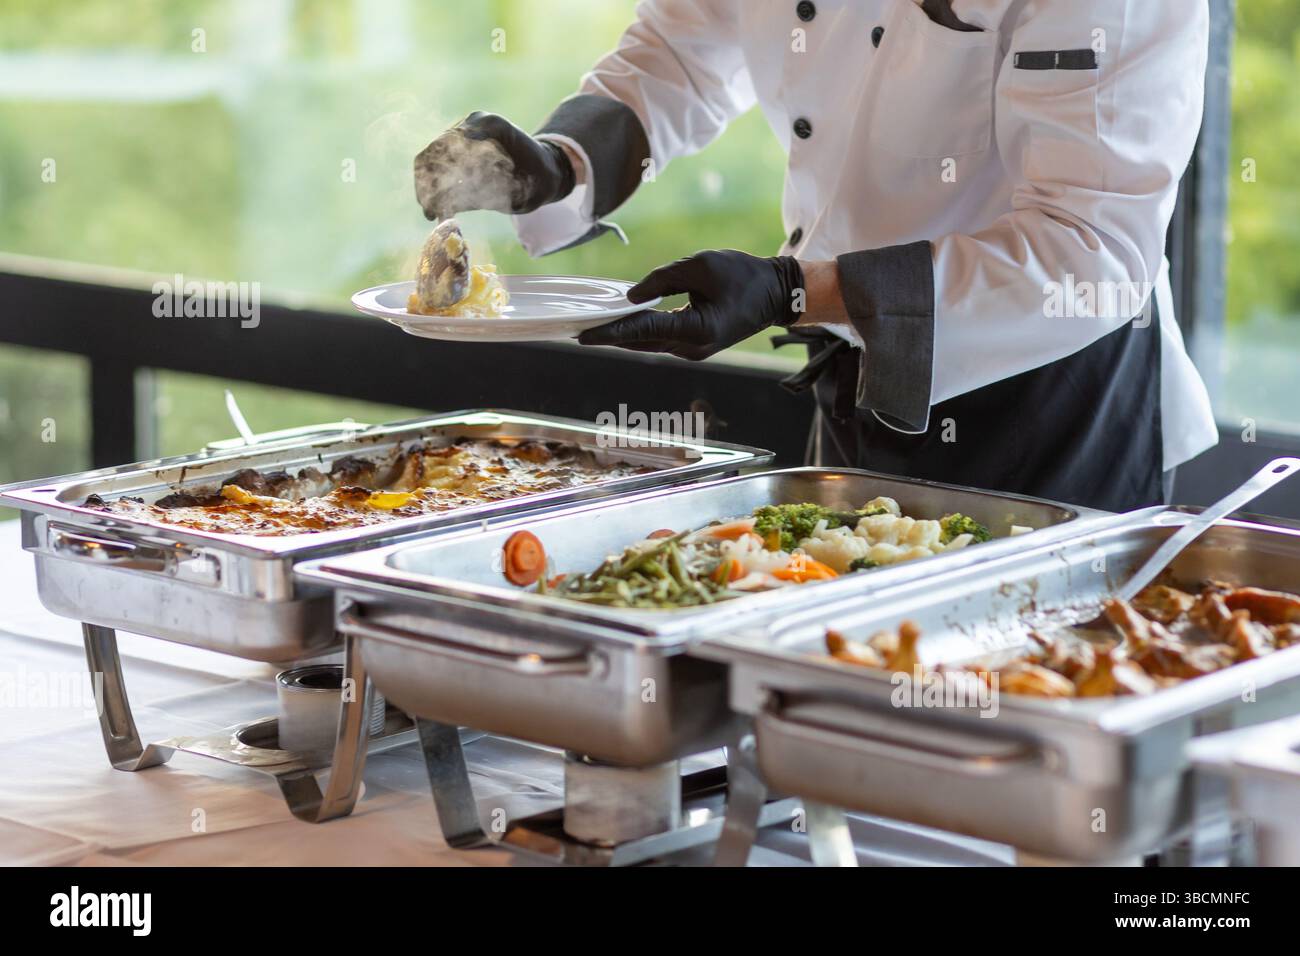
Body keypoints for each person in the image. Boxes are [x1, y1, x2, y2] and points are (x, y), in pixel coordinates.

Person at [414, 0, 1217, 512]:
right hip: (857, 361)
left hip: (1051, 400)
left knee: (1024, 725)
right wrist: (563, 163)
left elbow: (1090, 253)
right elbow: (679, 48)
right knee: (843, 698)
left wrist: (791, 292)